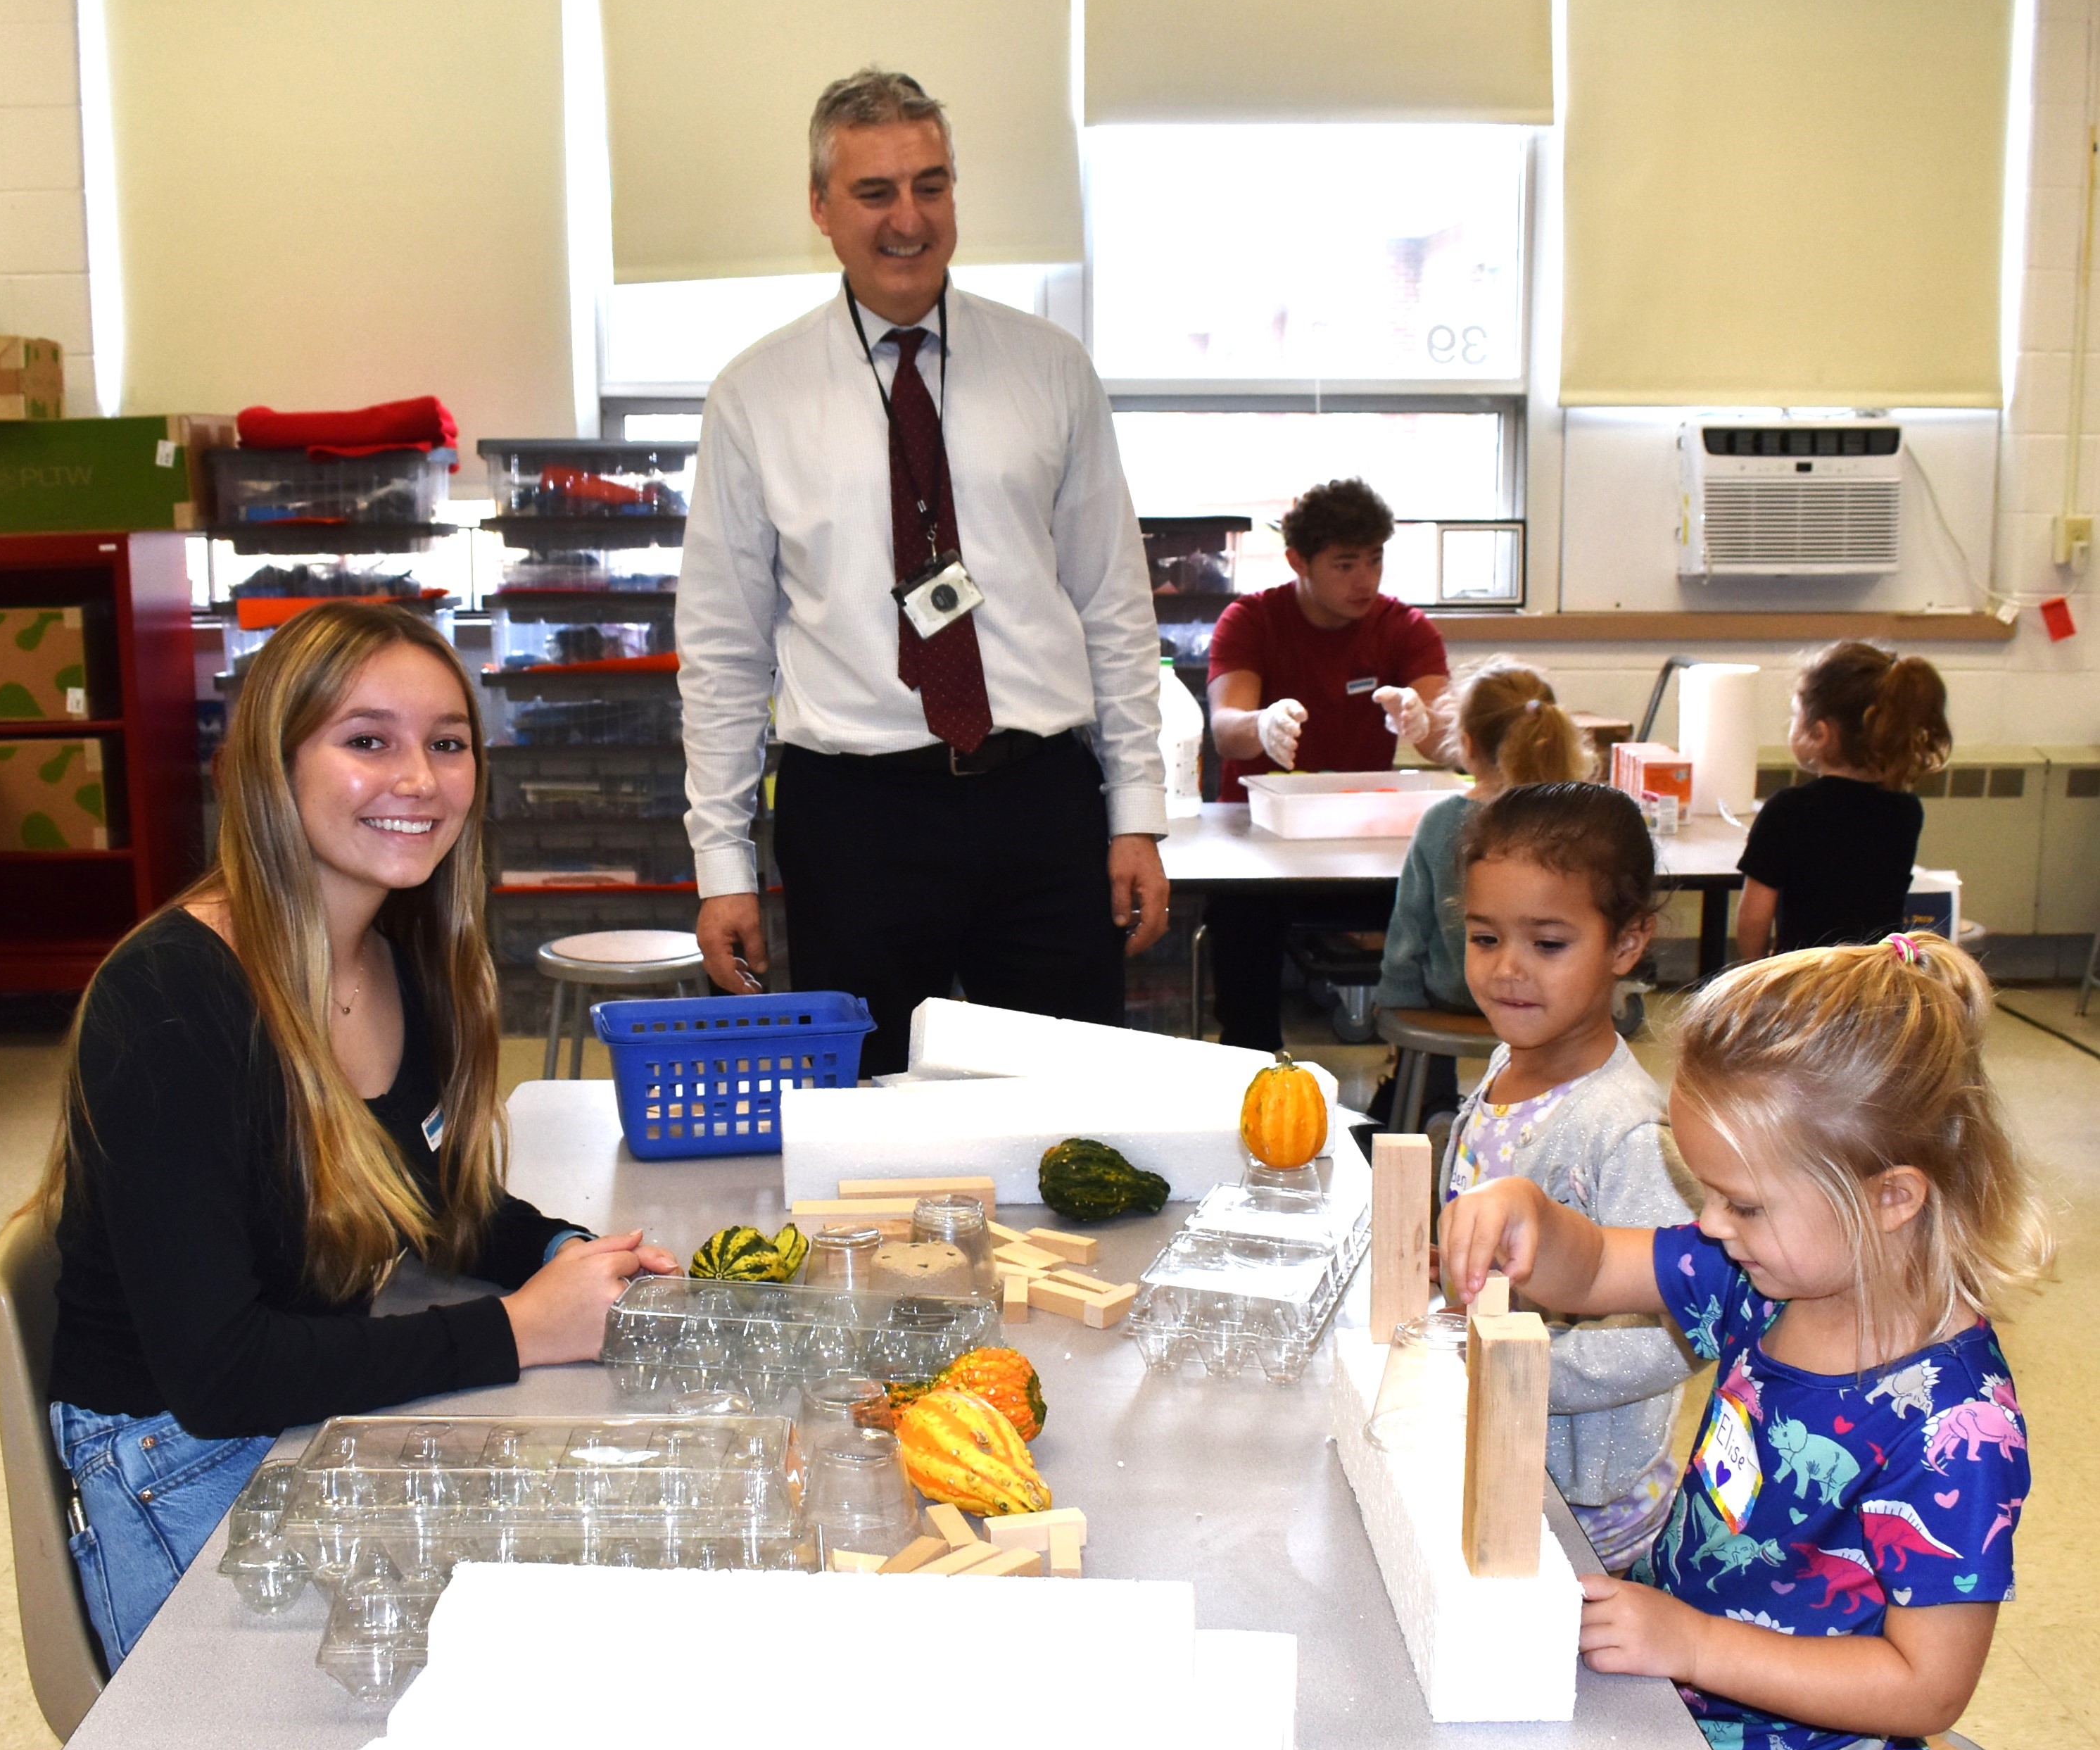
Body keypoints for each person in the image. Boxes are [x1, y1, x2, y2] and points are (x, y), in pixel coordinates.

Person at [37, 603, 679, 1666]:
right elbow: (218, 1374)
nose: (419, 781)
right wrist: (519, 1331)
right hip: (183, 1452)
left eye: (447, 744)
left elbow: (430, 1197)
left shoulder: (394, 951)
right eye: (367, 740)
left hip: (307, 1407)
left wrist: (569, 1260)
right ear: (270, 766)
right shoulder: (168, 999)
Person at [1439, 933, 2048, 1750]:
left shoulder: (1949, 1427)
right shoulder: (1769, 1279)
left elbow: (1925, 1688)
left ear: (1891, 1197)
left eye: (1743, 1203)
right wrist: (1526, 1219)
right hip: (1667, 1710)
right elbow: (1592, 1268)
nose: (1712, 1224)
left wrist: (1695, 1644)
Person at [676, 68, 1170, 1077]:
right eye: (875, 193)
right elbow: (723, 652)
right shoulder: (754, 397)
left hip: (1041, 804)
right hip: (855, 818)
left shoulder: (1050, 370)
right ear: (820, 206)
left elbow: (1114, 603)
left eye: (931, 185)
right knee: (864, 1128)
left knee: (1068, 1119)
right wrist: (722, 866)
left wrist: (1138, 816)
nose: (909, 219)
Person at [1441, 782, 1699, 1568]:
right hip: (1498, 1453)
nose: (1508, 970)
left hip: (1587, 1511)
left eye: (1547, 944)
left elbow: (1673, 1333)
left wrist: (1511, 1367)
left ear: (1626, 944)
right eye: (1485, 939)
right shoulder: (1502, 1068)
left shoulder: (1627, 1132)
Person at [1199, 477, 1452, 1053]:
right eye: (1344, 565)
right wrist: (1261, 724)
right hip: (1263, 848)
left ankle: (1421, 1088)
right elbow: (1226, 731)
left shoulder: (1403, 628)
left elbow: (1447, 738)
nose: (1366, 579)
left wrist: (1421, 720)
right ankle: (1252, 1066)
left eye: (1375, 559)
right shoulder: (1251, 620)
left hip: (1366, 848)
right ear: (1298, 562)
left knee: (1439, 895)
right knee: (1240, 918)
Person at [1374, 657, 1586, 1127]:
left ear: (1466, 743)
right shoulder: (1581, 822)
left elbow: (1410, 927)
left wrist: (1394, 998)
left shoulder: (1440, 823)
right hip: (1555, 1000)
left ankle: (1433, 1104)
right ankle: (1533, 1114)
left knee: (1442, 976)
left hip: (1457, 992)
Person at [1737, 641, 1952, 960]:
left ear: (1820, 733)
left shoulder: (1788, 810)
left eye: (1796, 715)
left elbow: (1754, 915)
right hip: (1874, 978)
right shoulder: (1906, 810)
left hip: (1805, 979)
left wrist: (1752, 974)